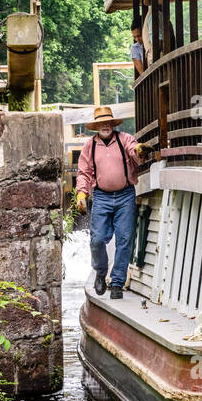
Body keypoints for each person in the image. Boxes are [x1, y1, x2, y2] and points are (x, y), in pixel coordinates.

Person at [75, 107, 142, 301]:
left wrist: (139, 150)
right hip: (102, 197)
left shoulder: (125, 139)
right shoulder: (90, 146)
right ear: (96, 126)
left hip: (125, 195)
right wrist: (81, 194)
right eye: (101, 123)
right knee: (97, 240)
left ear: (112, 124)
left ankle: (117, 283)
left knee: (124, 240)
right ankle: (101, 272)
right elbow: (84, 172)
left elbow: (135, 151)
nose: (105, 125)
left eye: (108, 122)